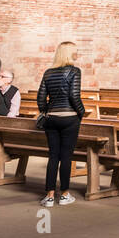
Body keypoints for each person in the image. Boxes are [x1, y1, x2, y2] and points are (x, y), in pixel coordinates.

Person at [37, 41, 86, 207]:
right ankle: (64, 194)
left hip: (51, 118)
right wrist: (81, 112)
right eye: (75, 52)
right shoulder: (75, 71)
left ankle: (49, 196)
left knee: (53, 156)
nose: (77, 54)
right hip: (69, 117)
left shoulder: (48, 73)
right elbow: (74, 96)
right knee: (66, 157)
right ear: (70, 53)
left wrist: (45, 112)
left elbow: (41, 98)